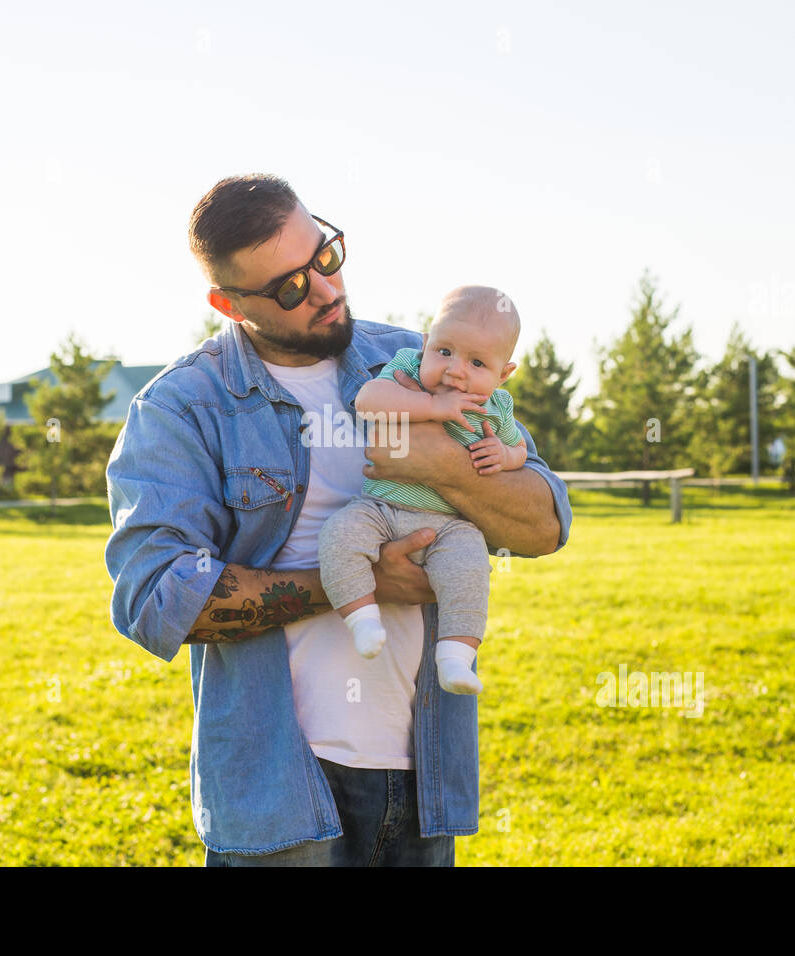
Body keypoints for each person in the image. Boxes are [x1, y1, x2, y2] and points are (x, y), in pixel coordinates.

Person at [104, 173, 573, 866]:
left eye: (324, 257)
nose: (325, 290)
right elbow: (155, 600)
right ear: (227, 303)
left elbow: (543, 525)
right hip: (279, 793)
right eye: (290, 287)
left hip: (424, 772)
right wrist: (355, 583)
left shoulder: (418, 363)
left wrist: (424, 458)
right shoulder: (180, 408)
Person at [321, 286, 527, 696]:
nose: (455, 370)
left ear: (504, 374)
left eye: (478, 362)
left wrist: (503, 456)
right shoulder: (409, 371)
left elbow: (520, 449)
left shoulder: (497, 408)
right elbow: (368, 400)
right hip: (382, 506)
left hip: (449, 526)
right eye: (445, 352)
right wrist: (433, 408)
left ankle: (455, 657)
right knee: (339, 535)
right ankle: (363, 619)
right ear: (425, 344)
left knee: (469, 571)